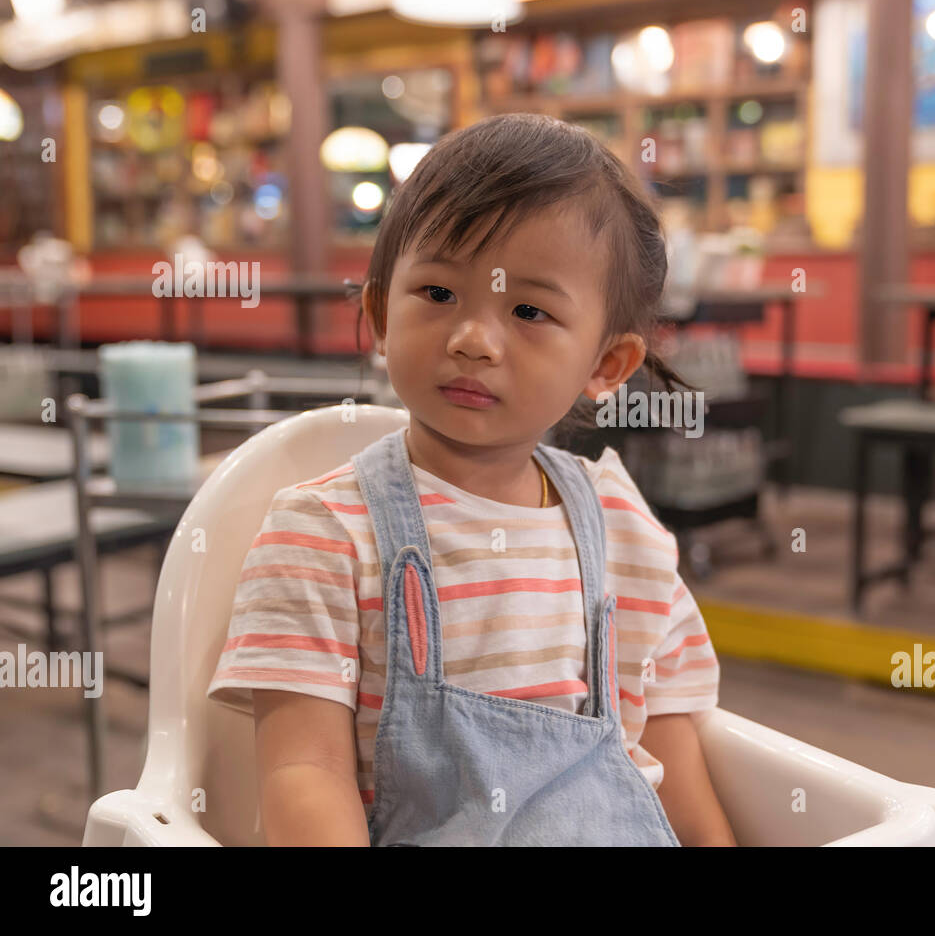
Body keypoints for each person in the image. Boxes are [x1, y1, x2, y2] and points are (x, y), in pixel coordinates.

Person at [206, 113, 736, 847]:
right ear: (380, 314)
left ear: (605, 366)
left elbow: (668, 745)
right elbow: (305, 773)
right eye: (438, 293)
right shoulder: (323, 534)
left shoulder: (623, 530)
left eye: (528, 310)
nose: (473, 339)